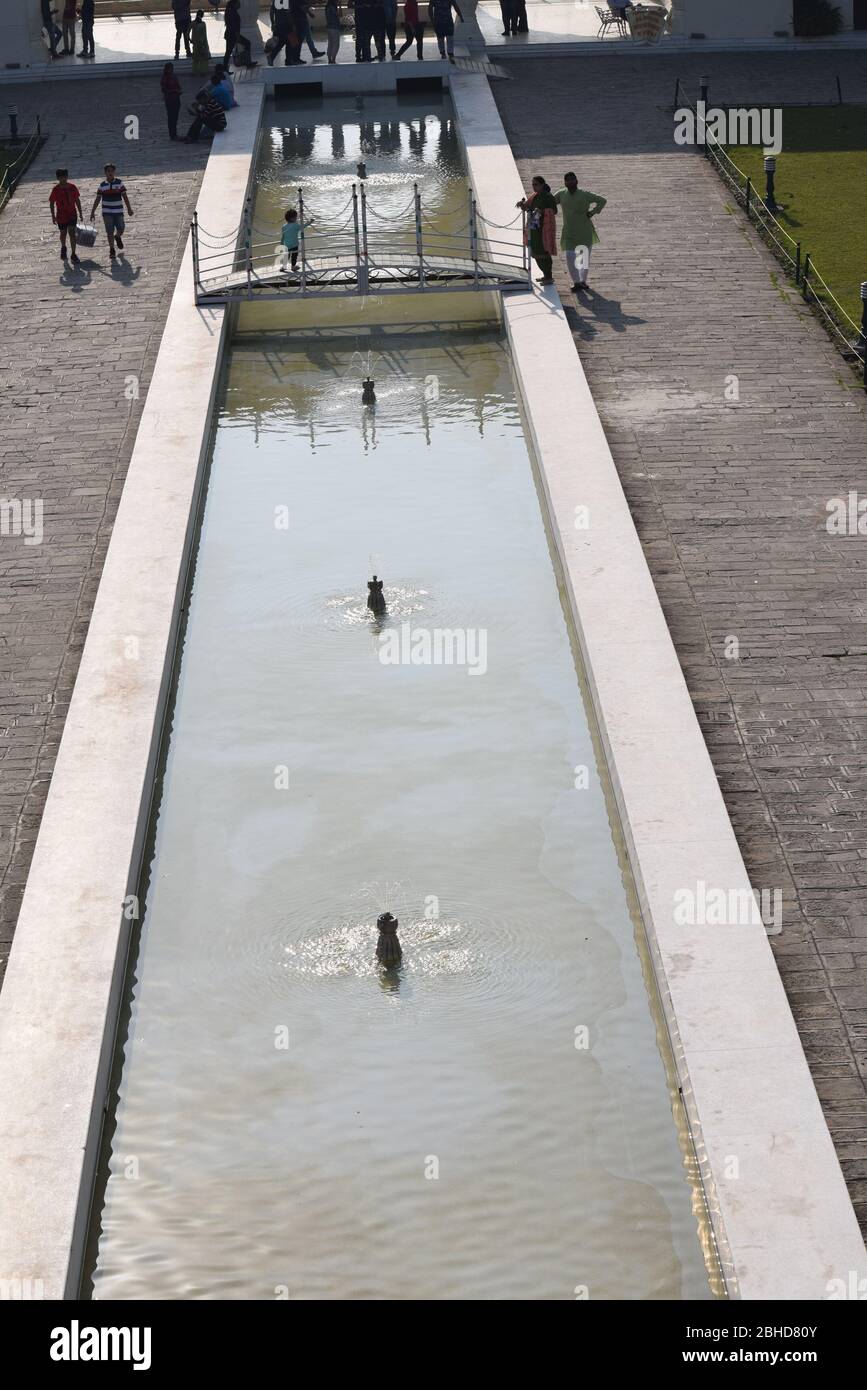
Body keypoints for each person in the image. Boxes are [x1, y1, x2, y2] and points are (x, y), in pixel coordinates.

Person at [554, 170, 606, 292]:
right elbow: (550, 202)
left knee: (583, 259)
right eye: (568, 180)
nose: (571, 182)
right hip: (569, 232)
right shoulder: (561, 194)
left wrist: (593, 212)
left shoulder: (584, 194)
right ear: (565, 183)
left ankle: (583, 281)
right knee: (570, 256)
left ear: (577, 181)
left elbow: (602, 200)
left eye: (573, 179)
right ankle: (576, 282)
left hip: (584, 232)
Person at [517, 174, 556, 285]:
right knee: (535, 251)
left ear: (542, 185)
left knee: (544, 251)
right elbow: (528, 207)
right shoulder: (535, 196)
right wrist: (522, 205)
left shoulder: (548, 197)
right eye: (533, 184)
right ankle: (545, 275)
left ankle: (549, 276)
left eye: (536, 184)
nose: (534, 187)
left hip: (543, 229)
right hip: (534, 229)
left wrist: (542, 211)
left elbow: (554, 210)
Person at [89, 163, 134, 261]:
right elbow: (98, 199)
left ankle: (117, 237)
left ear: (114, 172)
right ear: (105, 173)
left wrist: (129, 209)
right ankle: (112, 249)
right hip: (107, 212)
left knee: (121, 228)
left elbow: (125, 196)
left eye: (111, 171)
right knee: (109, 231)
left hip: (118, 211)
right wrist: (92, 211)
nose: (110, 173)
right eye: (108, 171)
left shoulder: (119, 183)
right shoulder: (102, 186)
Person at [49, 168, 83, 264]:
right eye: (61, 177)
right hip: (61, 215)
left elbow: (77, 200)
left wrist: (80, 212)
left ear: (67, 177)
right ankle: (63, 246)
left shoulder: (72, 187)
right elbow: (52, 202)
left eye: (65, 177)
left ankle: (73, 254)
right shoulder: (55, 190)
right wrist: (53, 215)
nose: (63, 179)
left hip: (72, 213)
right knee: (63, 233)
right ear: (58, 178)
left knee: (72, 234)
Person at [223, 0, 254, 68]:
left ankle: (225, 68)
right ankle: (247, 62)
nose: (239, 4)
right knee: (247, 43)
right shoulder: (233, 13)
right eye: (238, 3)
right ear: (234, 4)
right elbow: (234, 26)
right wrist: (237, 36)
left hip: (230, 34)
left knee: (228, 52)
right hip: (233, 35)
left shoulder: (230, 11)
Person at [161, 62, 182, 140]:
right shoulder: (165, 78)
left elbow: (178, 86)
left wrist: (179, 91)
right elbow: (164, 89)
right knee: (171, 117)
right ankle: (172, 134)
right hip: (170, 99)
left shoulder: (174, 76)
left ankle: (174, 134)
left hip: (176, 98)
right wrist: (174, 91)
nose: (171, 70)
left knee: (175, 117)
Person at [191, 9, 211, 73]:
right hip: (203, 43)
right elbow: (204, 35)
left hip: (195, 43)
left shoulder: (193, 23)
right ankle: (203, 71)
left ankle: (195, 71)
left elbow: (187, 33)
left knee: (196, 59)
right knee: (203, 59)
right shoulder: (203, 24)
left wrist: (190, 40)